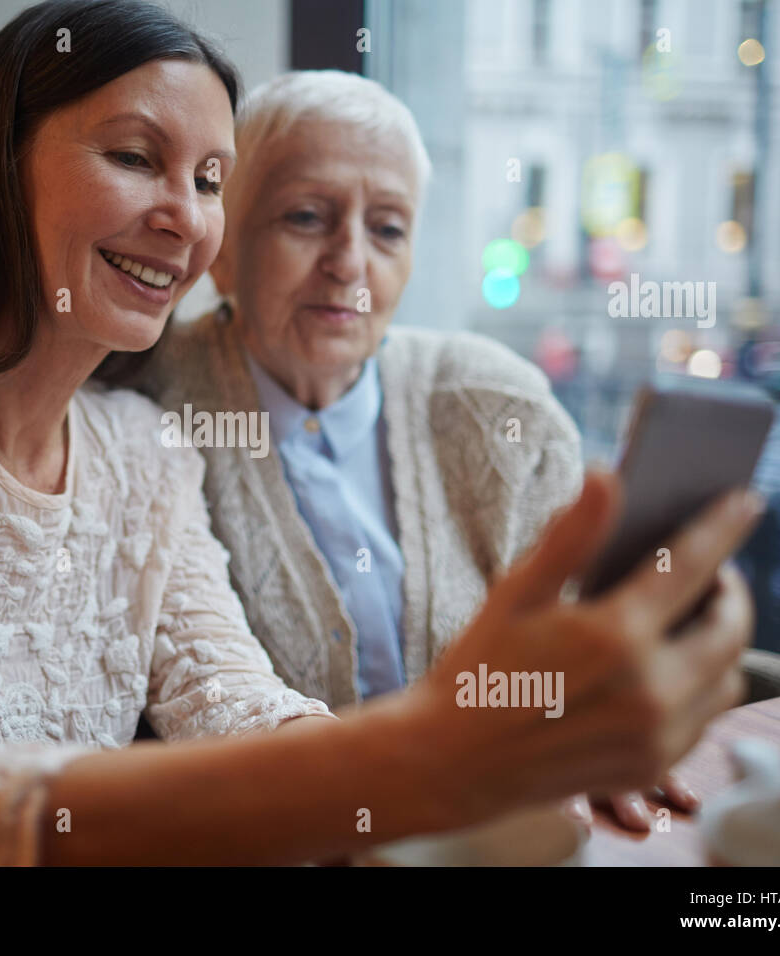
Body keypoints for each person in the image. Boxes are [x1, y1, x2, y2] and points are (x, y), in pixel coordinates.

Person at [0, 0, 758, 867]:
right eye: (135, 157)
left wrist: (514, 730)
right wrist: (428, 756)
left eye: (206, 181)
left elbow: (235, 698)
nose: (179, 218)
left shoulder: (142, 447)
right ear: (0, 165)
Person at [127, 70, 728, 831]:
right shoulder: (141, 404)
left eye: (387, 229)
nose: (350, 262)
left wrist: (601, 720)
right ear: (222, 251)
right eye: (307, 217)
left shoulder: (498, 406)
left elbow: (578, 646)